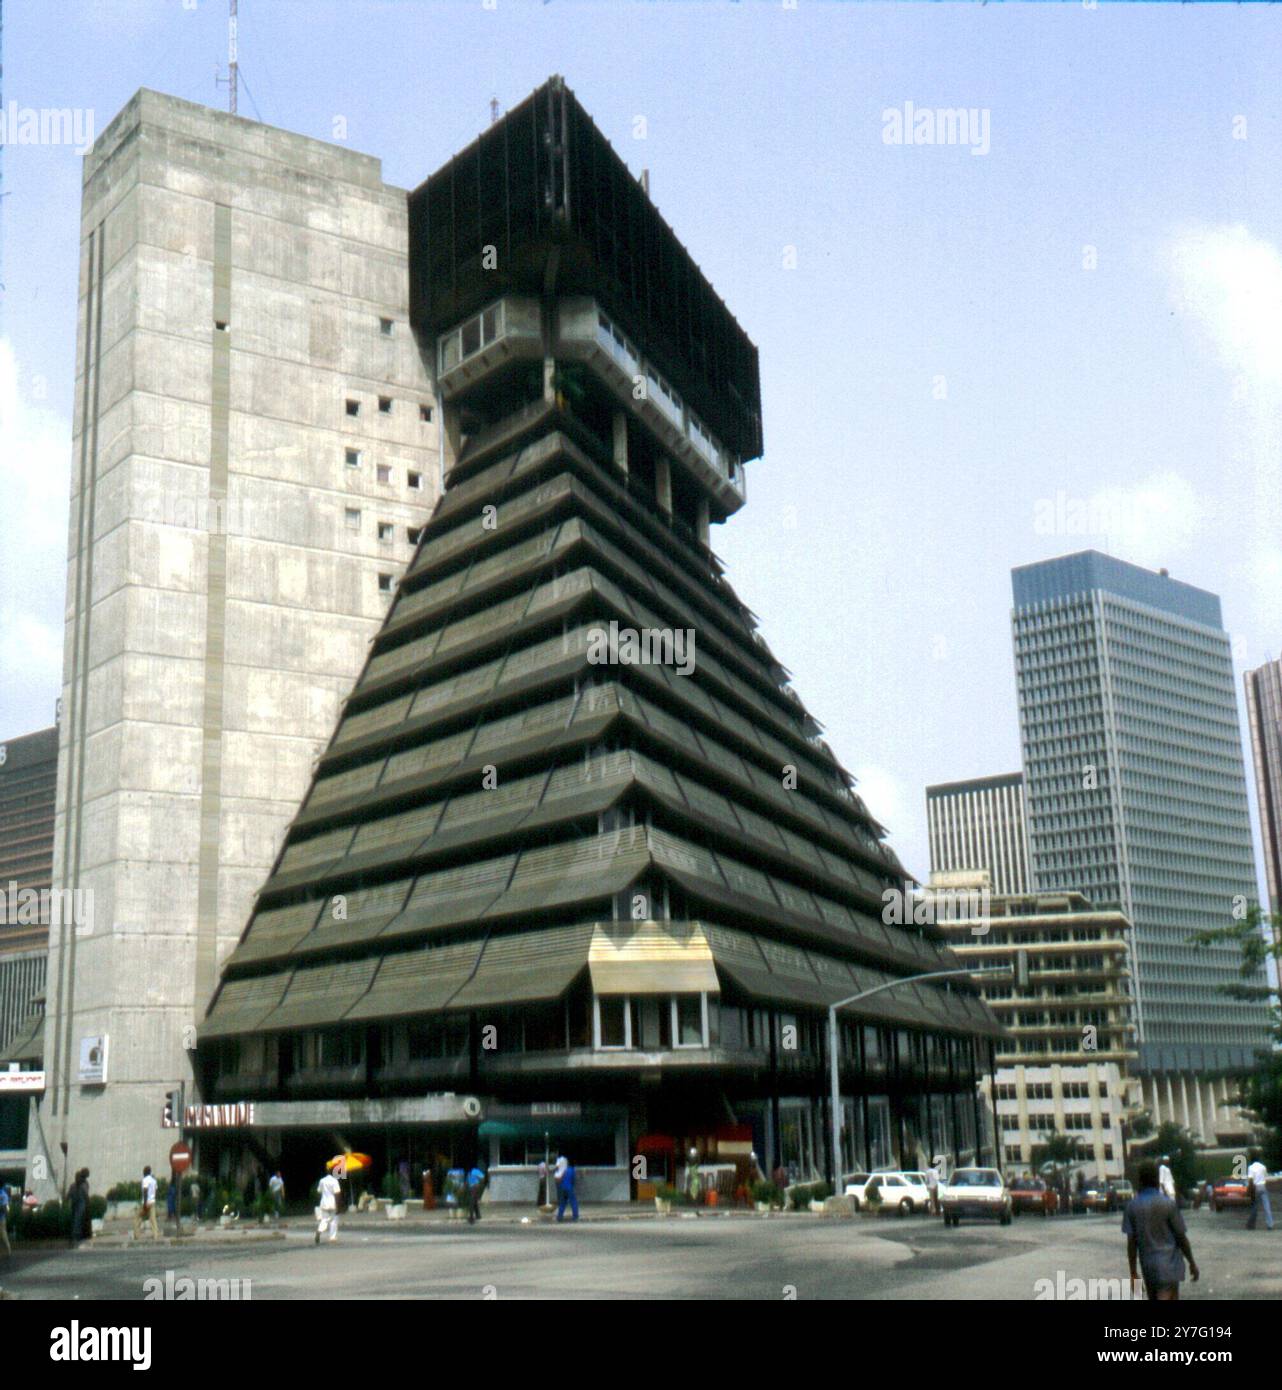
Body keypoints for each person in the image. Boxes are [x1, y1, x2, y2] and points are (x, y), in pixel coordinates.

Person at [1122, 1159, 1199, 1301]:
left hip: (1148, 1268)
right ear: (1157, 1179)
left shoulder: (1132, 1207)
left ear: (1140, 1180)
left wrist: (1133, 1273)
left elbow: (1131, 1244)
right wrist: (1192, 1263)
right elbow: (1181, 1237)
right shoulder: (1168, 1204)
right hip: (1170, 1266)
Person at [1246, 1151, 1274, 1232]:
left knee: (1254, 1206)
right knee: (1266, 1206)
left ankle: (1251, 1224)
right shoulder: (1263, 1167)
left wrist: (1249, 1189)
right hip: (1263, 1186)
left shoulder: (1251, 1168)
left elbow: (1250, 1179)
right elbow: (1266, 1177)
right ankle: (1270, 1224)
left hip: (1255, 1187)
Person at [315, 1167, 341, 1244]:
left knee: (324, 1220)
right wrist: (338, 1206)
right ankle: (332, 1237)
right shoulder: (334, 1181)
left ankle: (319, 1230)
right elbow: (337, 1194)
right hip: (332, 1203)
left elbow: (319, 1191)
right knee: (334, 1220)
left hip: (324, 1203)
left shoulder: (322, 1180)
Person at [134, 1166, 160, 1241]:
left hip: (146, 1202)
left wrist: (145, 1203)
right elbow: (156, 1191)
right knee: (153, 1219)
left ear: (145, 1172)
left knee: (137, 1217)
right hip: (152, 1202)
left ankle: (137, 1235)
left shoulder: (145, 1180)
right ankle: (155, 1235)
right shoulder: (154, 1180)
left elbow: (145, 1191)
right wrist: (154, 1199)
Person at [554, 1153, 579, 1223]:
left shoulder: (560, 1171)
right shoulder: (571, 1169)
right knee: (573, 1202)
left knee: (562, 1203)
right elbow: (573, 1179)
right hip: (569, 1187)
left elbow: (557, 1180)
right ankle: (575, 1216)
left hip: (562, 1188)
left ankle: (559, 1217)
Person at [0, 1182, 11, 1259]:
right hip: (2, 1217)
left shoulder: (3, 1194)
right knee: (3, 1234)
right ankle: (8, 1250)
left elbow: (5, 1207)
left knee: (3, 1234)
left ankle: (8, 1250)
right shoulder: (4, 1194)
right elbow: (6, 1207)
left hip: (1, 1217)